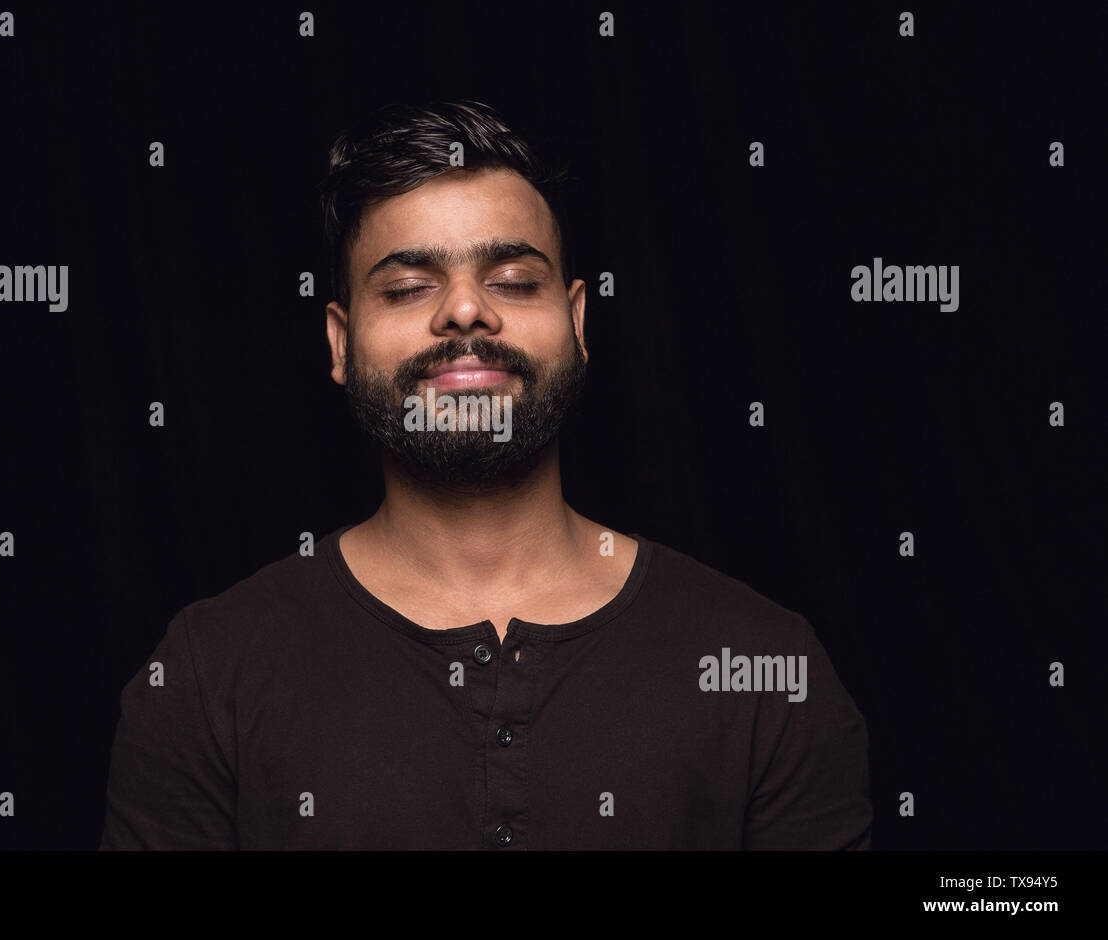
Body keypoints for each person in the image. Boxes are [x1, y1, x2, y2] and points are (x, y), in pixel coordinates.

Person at [99, 98, 872, 850]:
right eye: (407, 288)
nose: (466, 312)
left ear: (577, 323)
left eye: (512, 280)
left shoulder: (764, 667)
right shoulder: (207, 676)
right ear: (340, 343)